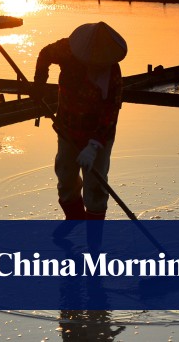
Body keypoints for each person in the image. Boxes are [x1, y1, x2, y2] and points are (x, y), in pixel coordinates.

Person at [33, 22, 126, 221]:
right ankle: (74, 222)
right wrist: (39, 84)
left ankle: (93, 240)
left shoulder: (113, 74)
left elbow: (111, 112)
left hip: (99, 134)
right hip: (67, 126)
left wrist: (93, 146)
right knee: (65, 178)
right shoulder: (67, 49)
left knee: (95, 187)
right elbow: (44, 55)